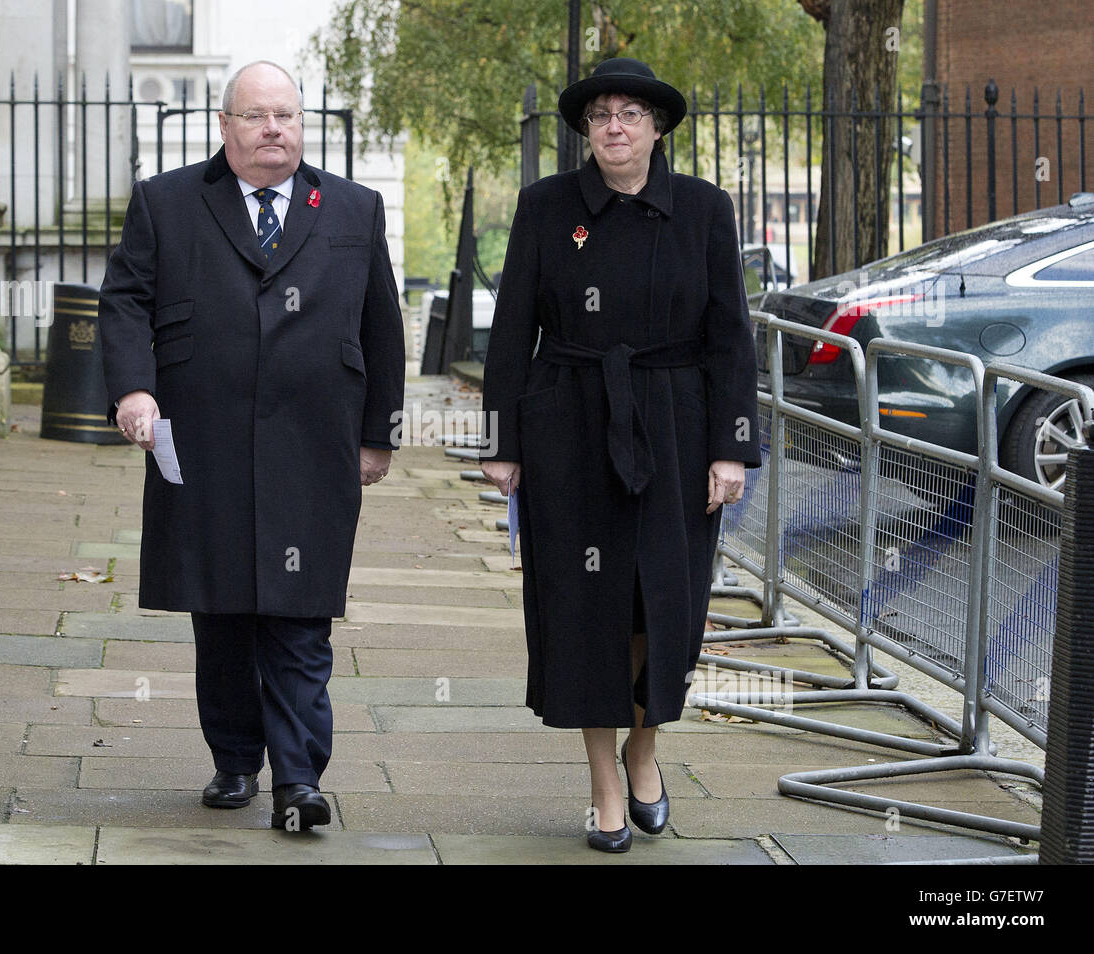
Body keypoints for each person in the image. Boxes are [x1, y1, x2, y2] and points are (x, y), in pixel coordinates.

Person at [98, 60, 405, 832]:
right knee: (223, 610)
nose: (275, 129)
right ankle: (235, 758)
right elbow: (126, 300)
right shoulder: (166, 203)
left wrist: (380, 434)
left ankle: (299, 779)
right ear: (225, 126)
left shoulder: (353, 208)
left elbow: (382, 329)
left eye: (288, 116)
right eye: (257, 116)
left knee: (301, 617)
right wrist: (134, 389)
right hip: (205, 443)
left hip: (313, 447)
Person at [480, 58, 761, 853]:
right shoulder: (545, 208)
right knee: (583, 610)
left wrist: (731, 449)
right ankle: (605, 781)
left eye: (631, 114)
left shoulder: (704, 210)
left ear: (657, 128)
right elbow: (509, 332)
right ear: (585, 130)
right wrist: (501, 442)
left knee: (659, 606)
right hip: (567, 425)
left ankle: (645, 749)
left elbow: (730, 337)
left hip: (674, 427)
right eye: (600, 114)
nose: (614, 126)